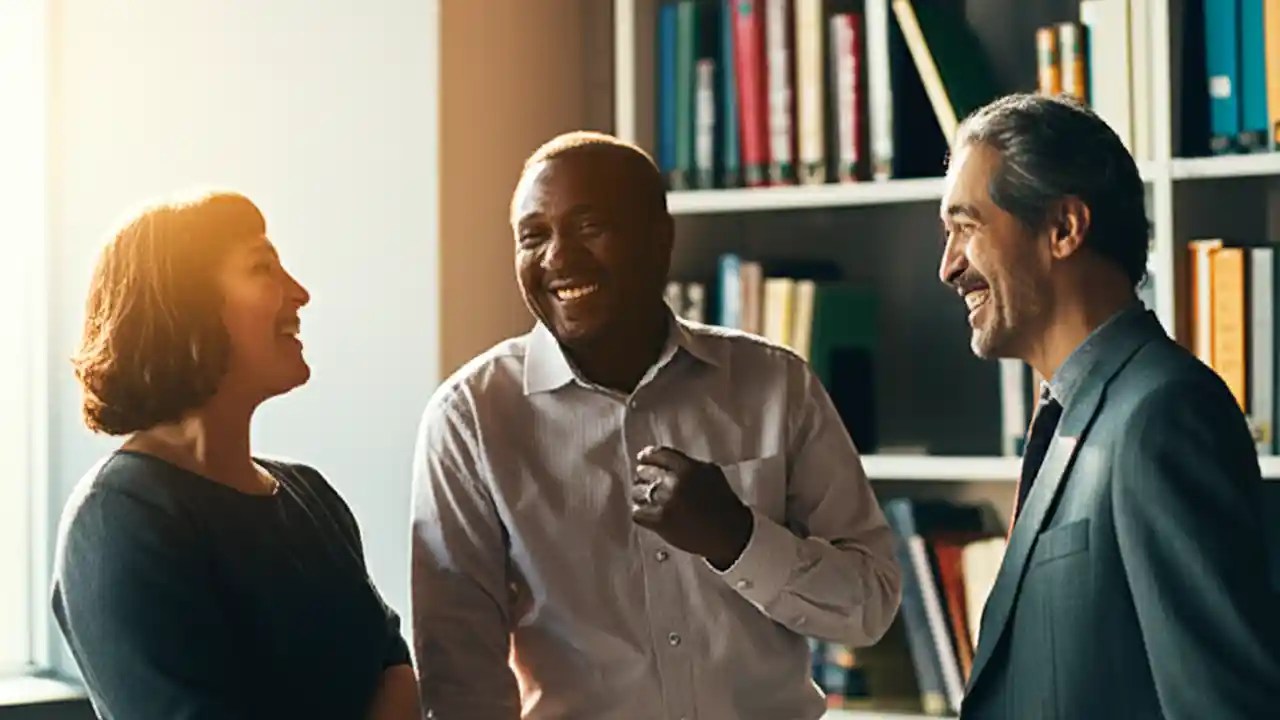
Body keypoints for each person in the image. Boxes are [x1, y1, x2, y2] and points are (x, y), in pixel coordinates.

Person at [410, 131, 901, 719]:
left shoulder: (776, 386)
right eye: (533, 236)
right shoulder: (470, 419)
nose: (558, 258)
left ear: (659, 239)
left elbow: (870, 605)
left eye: (589, 226)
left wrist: (738, 539)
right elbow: (459, 679)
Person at [938, 93, 1280, 719]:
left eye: (967, 227)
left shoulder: (1163, 416)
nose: (948, 267)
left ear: (1064, 229)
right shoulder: (1076, 416)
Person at [52, 190, 420, 720]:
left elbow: (394, 665)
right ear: (184, 303)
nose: (300, 293)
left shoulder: (312, 497)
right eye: (262, 268)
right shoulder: (118, 517)